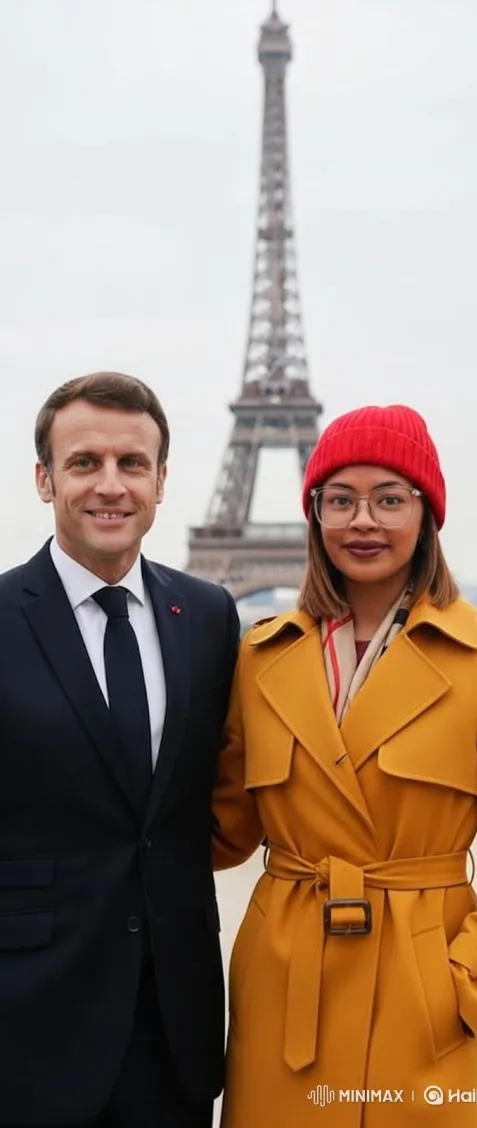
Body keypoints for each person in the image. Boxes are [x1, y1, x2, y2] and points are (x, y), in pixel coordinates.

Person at [212, 404, 477, 1127]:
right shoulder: (258, 657)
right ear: (315, 514)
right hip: (284, 988)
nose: (364, 520)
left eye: (390, 498)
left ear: (427, 514)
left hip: (427, 990)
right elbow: (223, 832)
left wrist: (475, 979)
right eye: (341, 499)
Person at [0, 371, 239, 1128]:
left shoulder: (208, 616)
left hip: (173, 1030)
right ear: (45, 479)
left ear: (162, 481)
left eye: (132, 464)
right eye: (84, 463)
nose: (111, 485)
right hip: (26, 1022)